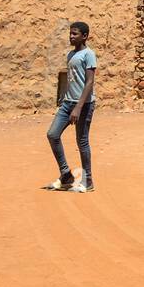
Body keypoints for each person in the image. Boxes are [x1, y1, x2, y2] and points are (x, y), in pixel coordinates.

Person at [45, 21, 97, 192]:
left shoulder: (89, 54)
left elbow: (89, 83)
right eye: (70, 33)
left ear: (84, 36)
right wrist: (65, 100)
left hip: (84, 104)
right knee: (53, 134)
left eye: (75, 34)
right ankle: (66, 174)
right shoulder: (70, 55)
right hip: (67, 103)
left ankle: (87, 180)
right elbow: (72, 80)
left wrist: (78, 108)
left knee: (82, 141)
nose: (71, 36)